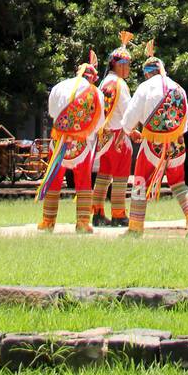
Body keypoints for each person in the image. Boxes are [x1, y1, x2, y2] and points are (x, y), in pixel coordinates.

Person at [122, 42, 188, 238]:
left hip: (152, 146)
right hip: (177, 145)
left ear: (147, 73)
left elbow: (131, 116)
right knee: (179, 183)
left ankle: (135, 227)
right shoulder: (178, 88)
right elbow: (185, 119)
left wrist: (129, 130)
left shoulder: (145, 87)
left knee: (140, 180)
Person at [35, 52, 104, 233]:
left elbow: (51, 113)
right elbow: (99, 122)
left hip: (59, 142)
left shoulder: (59, 86)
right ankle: (82, 222)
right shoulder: (95, 92)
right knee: (83, 183)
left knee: (54, 181)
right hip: (82, 145)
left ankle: (48, 222)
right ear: (93, 79)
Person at [92, 32, 134, 227]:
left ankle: (98, 212)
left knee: (103, 175)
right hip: (118, 135)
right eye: (128, 65)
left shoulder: (104, 83)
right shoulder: (120, 84)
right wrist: (133, 131)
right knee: (120, 176)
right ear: (120, 65)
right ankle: (118, 213)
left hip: (104, 136)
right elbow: (129, 112)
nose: (129, 70)